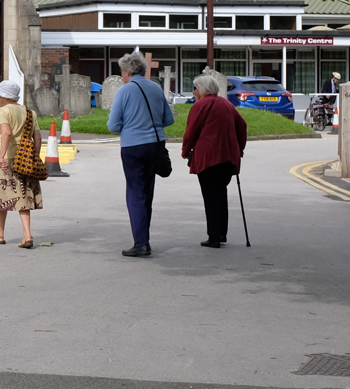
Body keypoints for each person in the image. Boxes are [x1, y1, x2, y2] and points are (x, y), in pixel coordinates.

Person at [107, 51, 174, 257]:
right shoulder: (155, 88)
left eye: (122, 72)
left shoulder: (125, 91)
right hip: (155, 143)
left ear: (127, 71)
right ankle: (144, 237)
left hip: (133, 146)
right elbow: (168, 119)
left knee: (135, 192)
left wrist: (130, 126)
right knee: (147, 191)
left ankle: (141, 242)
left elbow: (113, 124)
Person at [181, 74, 249, 247]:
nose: (193, 91)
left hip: (209, 157)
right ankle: (221, 233)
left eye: (195, 88)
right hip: (228, 157)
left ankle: (214, 237)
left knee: (210, 196)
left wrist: (185, 151)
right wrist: (239, 148)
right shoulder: (227, 104)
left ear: (202, 90)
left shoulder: (200, 105)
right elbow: (242, 125)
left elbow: (191, 131)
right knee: (220, 193)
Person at [0, 80, 41, 248]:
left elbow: (6, 133)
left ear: (5, 97)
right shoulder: (30, 112)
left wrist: (2, 157)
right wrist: (35, 157)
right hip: (24, 159)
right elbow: (37, 137)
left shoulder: (3, 110)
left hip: (5, 157)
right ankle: (27, 235)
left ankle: (0, 234)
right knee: (23, 194)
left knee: (1, 196)